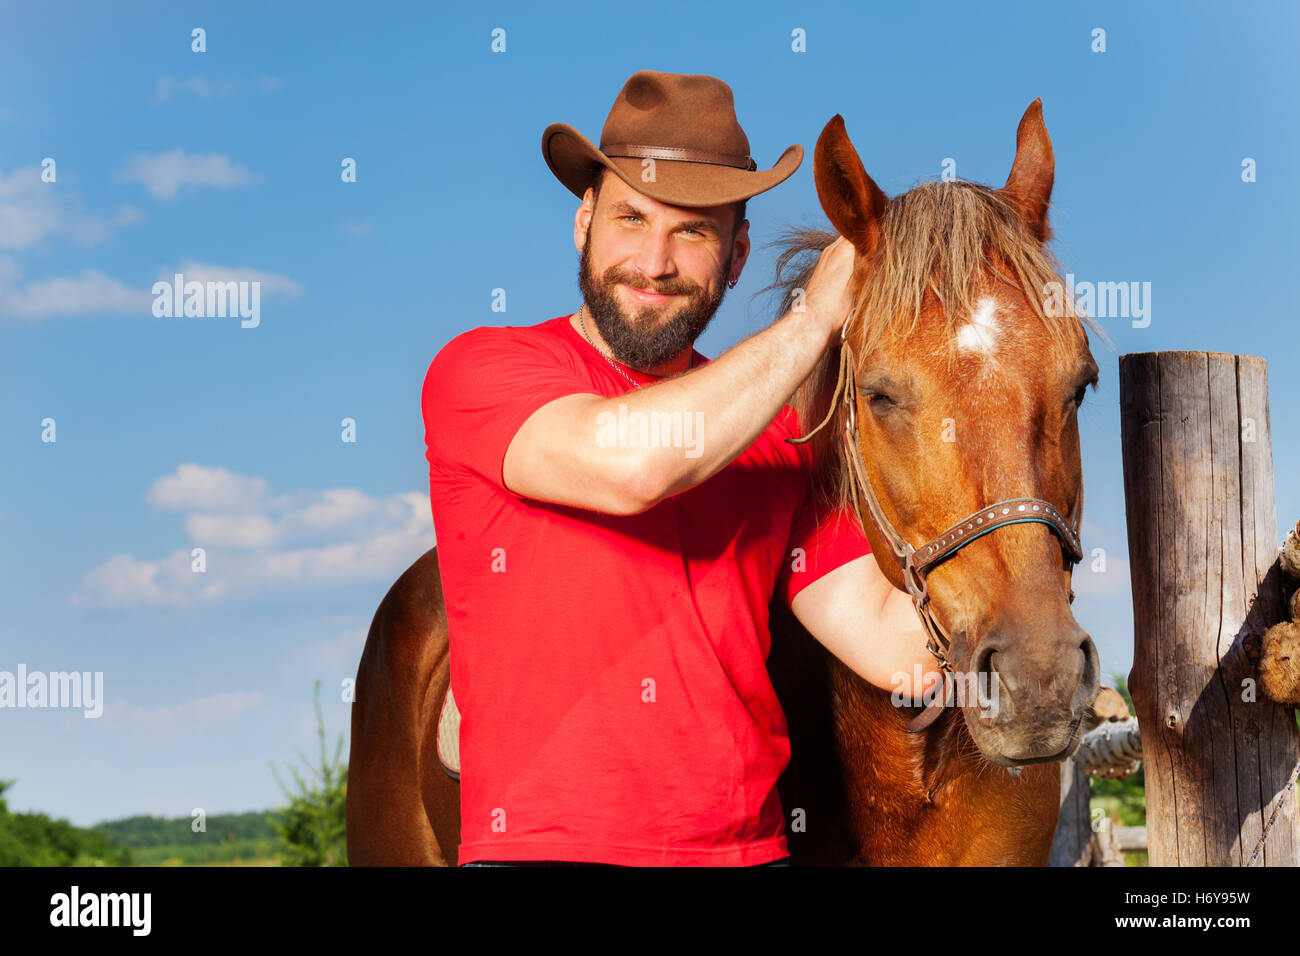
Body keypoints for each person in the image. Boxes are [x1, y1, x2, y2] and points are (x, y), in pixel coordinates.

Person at [422, 70, 940, 867]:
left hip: (747, 856)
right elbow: (634, 466)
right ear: (583, 222)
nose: (654, 261)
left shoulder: (777, 445)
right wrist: (815, 317)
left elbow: (893, 646)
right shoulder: (483, 370)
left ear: (736, 258)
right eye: (630, 218)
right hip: (545, 855)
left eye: (693, 233)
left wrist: (1023, 541)